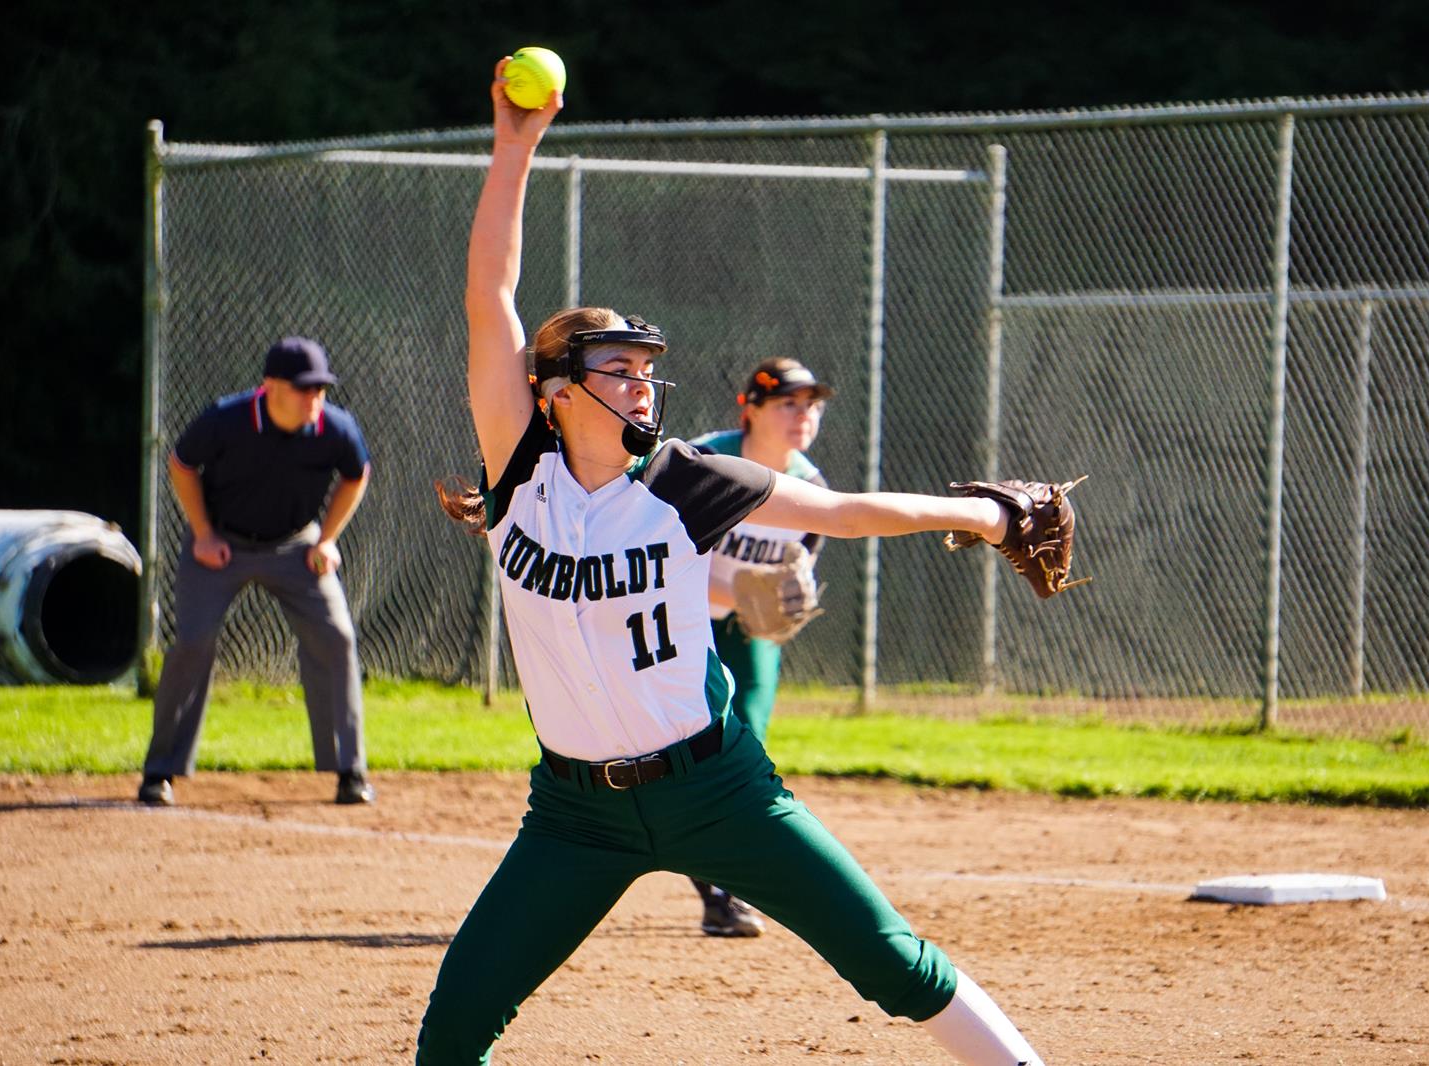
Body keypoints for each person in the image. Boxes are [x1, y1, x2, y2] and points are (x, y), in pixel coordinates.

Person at [417, 58, 1050, 1066]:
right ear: (553, 391)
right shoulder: (516, 469)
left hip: (719, 791)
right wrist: (513, 147)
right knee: (452, 1029)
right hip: (575, 815)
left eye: (646, 372)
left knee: (889, 961)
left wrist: (978, 512)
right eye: (615, 368)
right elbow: (488, 287)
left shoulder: (683, 478)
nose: (638, 384)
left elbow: (840, 511)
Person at [137, 336, 374, 808]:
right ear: (269, 387)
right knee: (193, 641)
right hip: (221, 542)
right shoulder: (226, 419)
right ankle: (159, 771)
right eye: (303, 387)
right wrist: (202, 533)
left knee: (337, 637)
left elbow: (356, 474)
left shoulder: (334, 427)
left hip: (295, 544)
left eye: (320, 388)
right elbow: (182, 464)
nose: (315, 398)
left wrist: (326, 538)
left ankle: (350, 770)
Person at [684, 356, 835, 938]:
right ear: (749, 409)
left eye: (812, 404)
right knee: (690, 744)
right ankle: (718, 888)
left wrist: (780, 604)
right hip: (682, 622)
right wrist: (735, 589)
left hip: (747, 633)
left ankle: (721, 884)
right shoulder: (705, 463)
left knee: (745, 750)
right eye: (788, 403)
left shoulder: (811, 486)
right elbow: (656, 558)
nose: (805, 415)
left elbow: (798, 566)